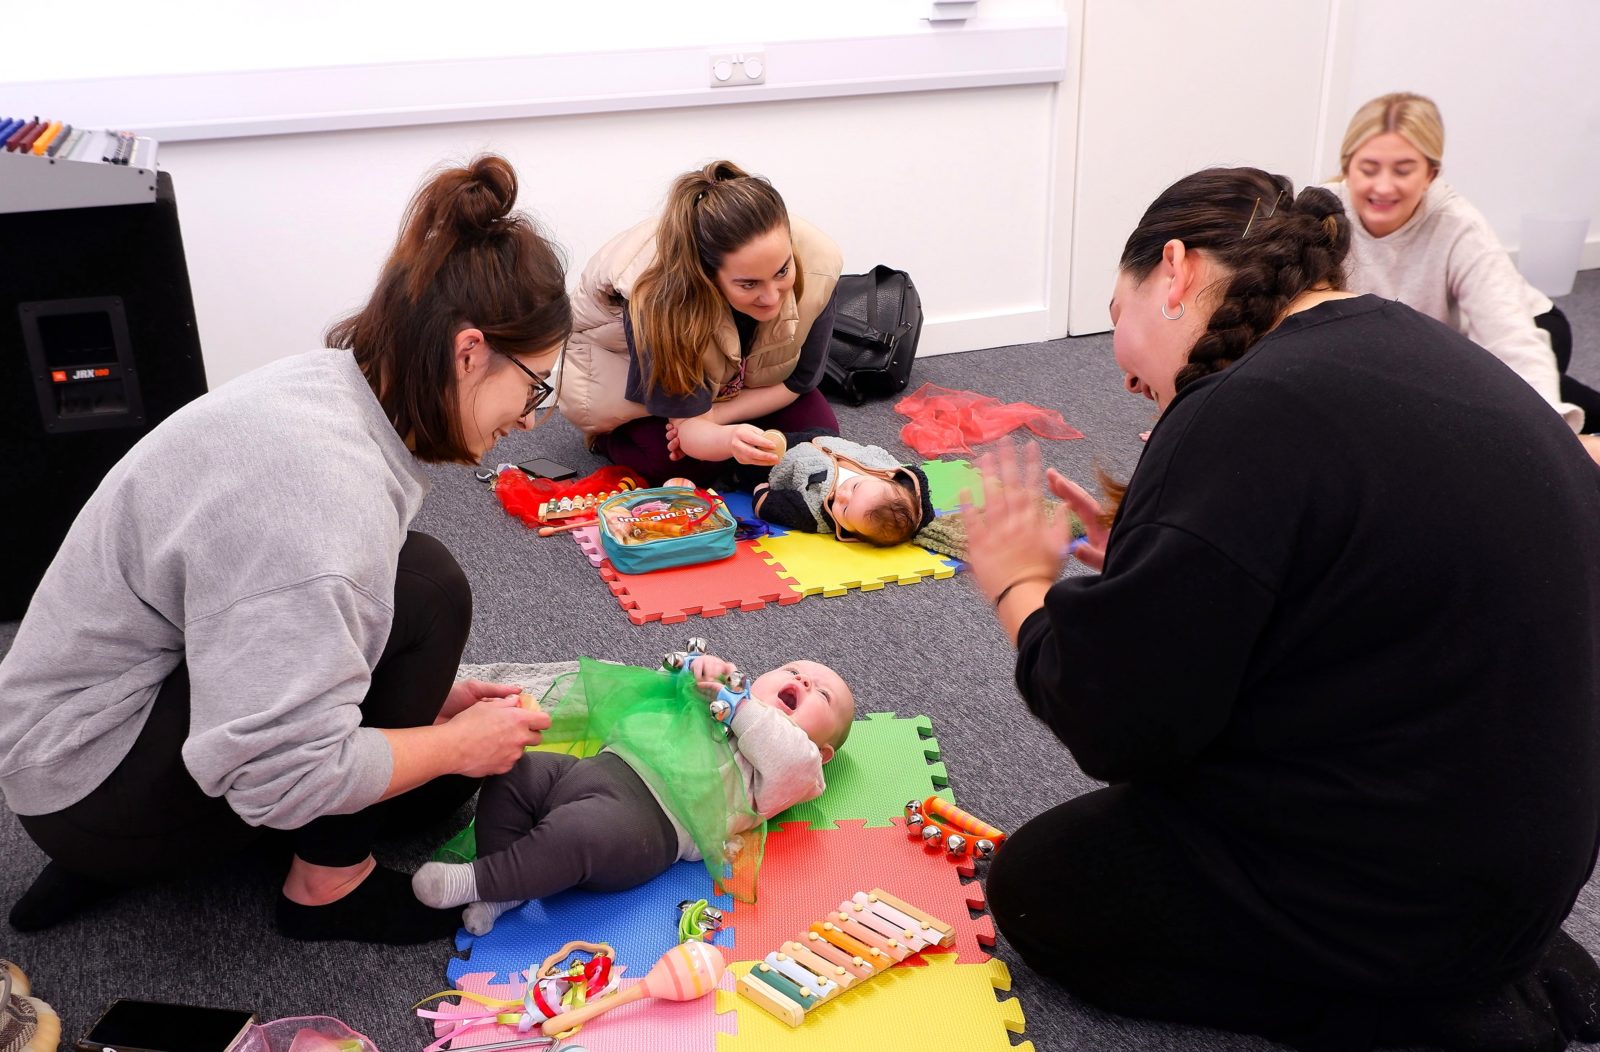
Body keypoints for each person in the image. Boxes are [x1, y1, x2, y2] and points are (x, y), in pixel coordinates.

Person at [966, 167, 1600, 1051]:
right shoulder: (1408, 344)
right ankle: (1483, 959)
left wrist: (1016, 583)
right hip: (1530, 861)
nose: (1118, 372)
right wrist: (1162, 567)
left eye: (1117, 311)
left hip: (1411, 897)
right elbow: (1358, 589)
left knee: (1041, 886)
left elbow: (1123, 727)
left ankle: (1436, 1012)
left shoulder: (1241, 409)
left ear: (1174, 270)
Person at [0, 155, 564, 944]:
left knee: (432, 766)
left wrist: (430, 719)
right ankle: (327, 887)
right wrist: (450, 742)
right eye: (535, 387)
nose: (534, 419)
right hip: (88, 786)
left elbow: (269, 613)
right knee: (430, 597)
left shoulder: (333, 384)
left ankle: (131, 841)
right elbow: (282, 778)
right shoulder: (325, 496)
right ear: (470, 352)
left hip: (73, 734)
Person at [411, 654, 854, 934]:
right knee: (517, 771)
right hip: (596, 767)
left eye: (824, 696)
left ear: (825, 752)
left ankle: (475, 880)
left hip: (646, 822)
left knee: (577, 833)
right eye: (794, 671)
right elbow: (663, 685)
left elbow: (787, 754)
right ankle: (506, 882)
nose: (805, 682)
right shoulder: (724, 695)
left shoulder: (800, 766)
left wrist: (739, 705)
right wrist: (696, 670)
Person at [1329, 91, 1600, 463]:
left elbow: (1511, 336)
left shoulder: (1458, 225)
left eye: (1404, 170)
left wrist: (1553, 441)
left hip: (1521, 327)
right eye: (1369, 168)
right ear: (1347, 168)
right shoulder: (1322, 211)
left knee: (1501, 418)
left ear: (1430, 174)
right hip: (1428, 349)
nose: (1384, 186)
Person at [559, 160, 845, 487]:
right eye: (749, 284)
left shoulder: (818, 263)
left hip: (731, 387)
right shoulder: (660, 300)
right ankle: (608, 440)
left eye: (782, 272)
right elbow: (688, 427)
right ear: (708, 275)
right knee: (682, 467)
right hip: (613, 373)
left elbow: (799, 381)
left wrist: (720, 419)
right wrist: (723, 438)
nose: (771, 297)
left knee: (820, 441)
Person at [750, 433, 935, 546]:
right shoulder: (884, 469)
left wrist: (762, 491)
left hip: (781, 458)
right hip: (823, 439)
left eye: (845, 510)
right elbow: (919, 494)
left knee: (747, 459)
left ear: (853, 533)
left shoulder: (815, 514)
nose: (843, 495)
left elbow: (774, 507)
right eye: (856, 487)